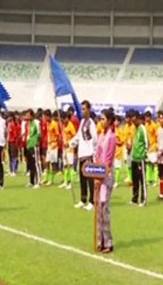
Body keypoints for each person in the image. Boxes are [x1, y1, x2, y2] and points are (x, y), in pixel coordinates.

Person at [95, 109, 117, 254]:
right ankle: (99, 239)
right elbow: (98, 155)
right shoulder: (101, 136)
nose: (101, 121)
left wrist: (101, 176)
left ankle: (108, 240)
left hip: (106, 175)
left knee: (104, 207)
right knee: (98, 208)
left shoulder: (112, 137)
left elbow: (108, 159)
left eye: (103, 119)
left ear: (109, 121)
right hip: (98, 174)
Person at [72, 101, 97, 210]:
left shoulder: (91, 123)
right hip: (81, 154)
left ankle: (92, 201)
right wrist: (70, 143)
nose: (82, 111)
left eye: (84, 109)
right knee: (82, 178)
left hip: (89, 154)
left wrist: (93, 154)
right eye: (81, 109)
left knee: (90, 179)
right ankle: (83, 199)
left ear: (88, 109)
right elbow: (78, 136)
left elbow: (95, 140)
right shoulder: (82, 122)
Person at [128, 110, 149, 207]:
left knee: (142, 180)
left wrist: (144, 155)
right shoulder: (134, 129)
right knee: (135, 179)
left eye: (133, 118)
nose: (132, 121)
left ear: (137, 118)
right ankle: (134, 199)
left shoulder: (142, 128)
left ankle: (143, 199)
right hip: (134, 157)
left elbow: (146, 143)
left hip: (140, 158)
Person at [23, 109, 42, 188]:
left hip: (34, 145)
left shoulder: (36, 123)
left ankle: (38, 182)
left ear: (31, 115)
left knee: (36, 163)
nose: (26, 116)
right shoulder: (28, 124)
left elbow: (39, 134)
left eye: (28, 115)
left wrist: (36, 142)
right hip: (29, 145)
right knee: (30, 164)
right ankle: (31, 181)